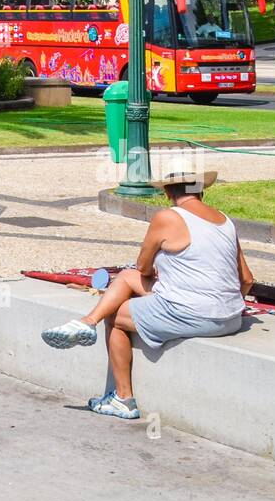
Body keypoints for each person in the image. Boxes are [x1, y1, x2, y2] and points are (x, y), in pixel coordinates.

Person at [41, 176, 253, 420]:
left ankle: (122, 398)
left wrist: (156, 270)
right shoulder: (225, 220)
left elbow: (143, 266)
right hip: (231, 317)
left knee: (115, 314)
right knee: (127, 277)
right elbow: (246, 279)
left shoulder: (168, 217)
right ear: (201, 192)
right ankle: (87, 322)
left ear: (168, 194)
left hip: (194, 313)